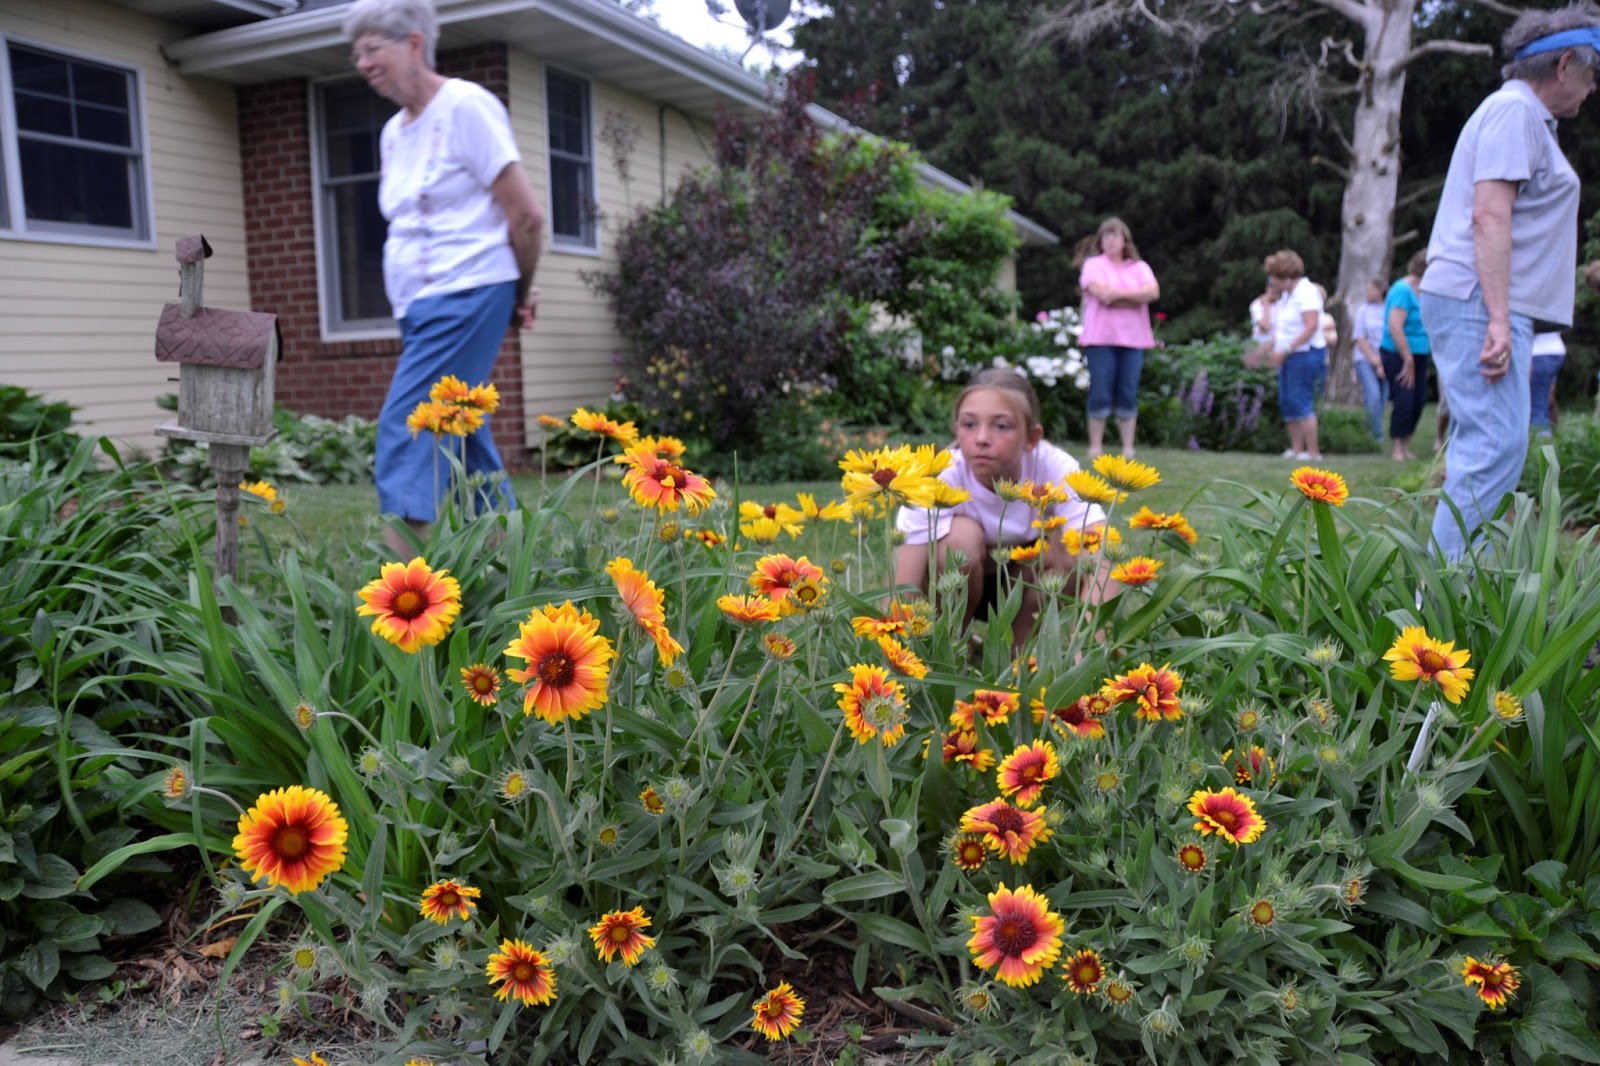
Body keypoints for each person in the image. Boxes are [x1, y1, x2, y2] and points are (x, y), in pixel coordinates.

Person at [345, 0, 545, 556]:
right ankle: (513, 562)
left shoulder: (466, 107)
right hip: (419, 304)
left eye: (372, 48)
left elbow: (526, 216)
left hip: (469, 288)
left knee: (410, 428)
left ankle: (404, 595)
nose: (362, 62)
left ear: (413, 43)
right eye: (356, 52)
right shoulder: (393, 132)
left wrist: (520, 294)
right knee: (462, 433)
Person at [1418, 2, 1599, 561]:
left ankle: (1463, 594)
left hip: (1491, 303)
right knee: (1493, 448)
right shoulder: (1513, 114)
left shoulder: (1525, 118)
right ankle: (1438, 609)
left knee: (1497, 448)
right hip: (1481, 302)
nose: (1593, 91)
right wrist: (1498, 317)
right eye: (1595, 76)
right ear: (1566, 64)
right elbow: (1489, 215)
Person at [893, 369, 1114, 648]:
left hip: (1027, 585)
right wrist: (899, 654)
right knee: (958, 539)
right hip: (957, 586)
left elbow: (1103, 557)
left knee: (1068, 545)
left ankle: (1024, 654)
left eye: (1001, 426)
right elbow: (905, 586)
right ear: (956, 428)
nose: (982, 438)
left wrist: (1087, 658)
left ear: (1032, 437)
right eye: (969, 424)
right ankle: (951, 645)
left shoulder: (1055, 467)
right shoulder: (936, 476)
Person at [1076, 218, 1160, 459]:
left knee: (1128, 391)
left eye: (1116, 235)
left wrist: (1117, 296)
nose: (1111, 240)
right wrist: (1135, 297)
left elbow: (1153, 292)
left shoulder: (1139, 267)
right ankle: (1096, 446)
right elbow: (1101, 294)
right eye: (1106, 236)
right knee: (1100, 391)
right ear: (1100, 241)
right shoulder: (1093, 265)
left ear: (1125, 240)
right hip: (1100, 338)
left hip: (1134, 340)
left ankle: (1127, 448)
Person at [1248, 250, 1326, 461]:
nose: (1272, 281)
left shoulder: (1307, 293)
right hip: (1290, 355)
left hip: (1305, 355)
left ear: (1287, 276)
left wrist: (1286, 350)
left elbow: (1311, 327)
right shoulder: (1288, 296)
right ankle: (1296, 450)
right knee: (1288, 401)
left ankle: (1313, 453)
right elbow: (1283, 331)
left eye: (1275, 276)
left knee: (1301, 401)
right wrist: (1264, 351)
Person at [1381, 252, 1432, 462]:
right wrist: (1407, 358)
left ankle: (1407, 445)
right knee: (1404, 399)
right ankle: (1397, 448)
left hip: (1420, 353)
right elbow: (1395, 326)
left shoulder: (1426, 291)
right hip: (1399, 353)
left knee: (1419, 400)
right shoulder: (1402, 290)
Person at [1352, 277, 1389, 443]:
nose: (1368, 293)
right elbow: (1360, 338)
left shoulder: (1389, 309)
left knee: (1382, 398)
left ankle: (1372, 430)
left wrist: (1383, 362)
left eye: (1371, 289)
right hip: (1365, 358)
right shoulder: (1363, 310)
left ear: (1381, 291)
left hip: (1387, 358)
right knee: (1373, 395)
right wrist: (1375, 361)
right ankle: (1376, 437)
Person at [1529, 331, 1566, 438]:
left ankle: (1544, 449)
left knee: (1537, 406)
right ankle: (1552, 434)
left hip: (1539, 352)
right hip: (1556, 350)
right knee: (1547, 399)